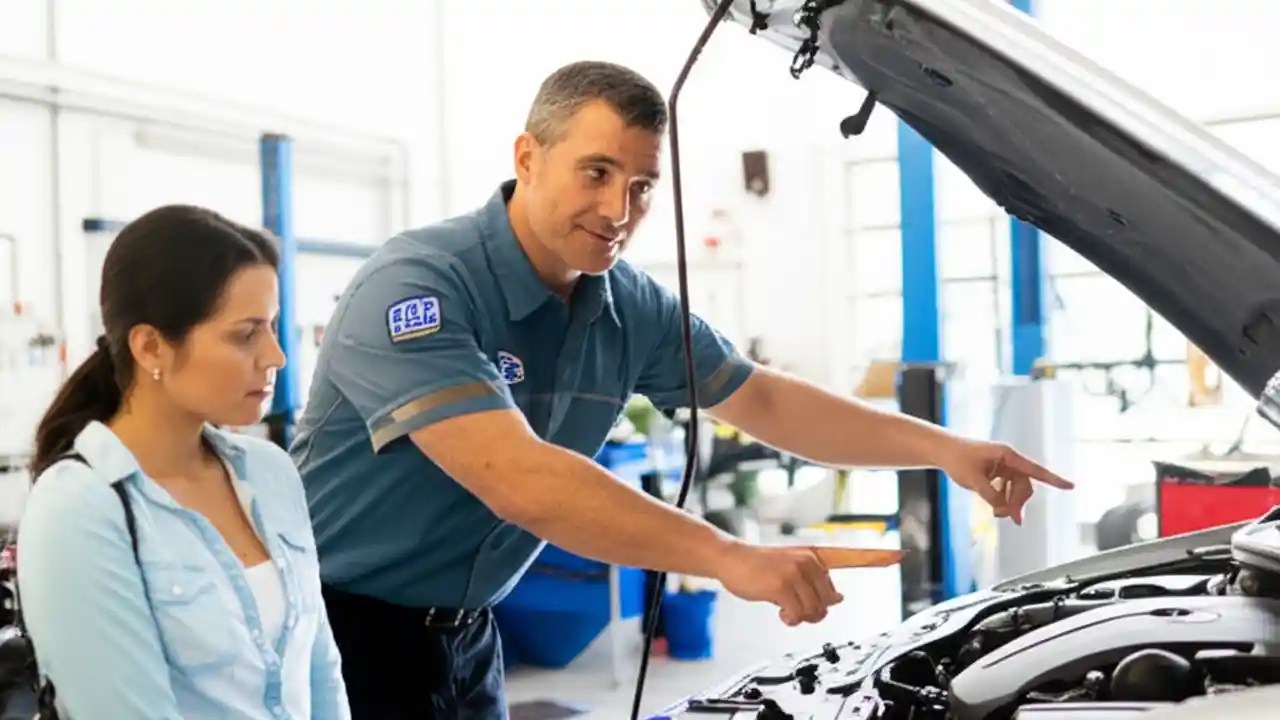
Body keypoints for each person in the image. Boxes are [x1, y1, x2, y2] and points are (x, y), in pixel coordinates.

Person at [293, 60, 1073, 718]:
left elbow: (760, 398)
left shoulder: (626, 303)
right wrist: (731, 556)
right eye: (595, 173)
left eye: (641, 185)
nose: (619, 210)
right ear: (528, 156)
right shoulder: (421, 283)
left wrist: (946, 450)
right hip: (341, 633)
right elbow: (519, 480)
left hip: (467, 636)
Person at [17, 205, 349, 719]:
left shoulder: (270, 472)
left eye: (273, 326)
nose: (276, 356)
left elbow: (320, 674)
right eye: (246, 334)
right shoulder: (80, 508)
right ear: (151, 347)